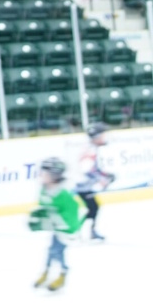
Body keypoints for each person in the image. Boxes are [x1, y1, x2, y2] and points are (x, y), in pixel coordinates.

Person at [29, 157, 86, 291]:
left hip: (67, 229)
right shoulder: (45, 188)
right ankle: (48, 271)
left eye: (45, 173)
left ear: (54, 175)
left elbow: (74, 212)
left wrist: (63, 226)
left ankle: (62, 273)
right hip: (57, 227)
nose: (42, 175)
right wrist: (40, 216)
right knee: (52, 250)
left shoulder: (63, 193)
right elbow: (45, 206)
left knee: (56, 251)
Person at [75, 122, 115, 239]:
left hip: (84, 185)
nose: (105, 138)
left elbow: (93, 169)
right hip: (82, 185)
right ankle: (78, 231)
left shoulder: (91, 148)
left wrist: (105, 175)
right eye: (103, 135)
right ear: (96, 137)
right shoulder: (90, 150)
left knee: (93, 207)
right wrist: (102, 178)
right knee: (93, 207)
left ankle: (86, 231)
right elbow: (87, 170)